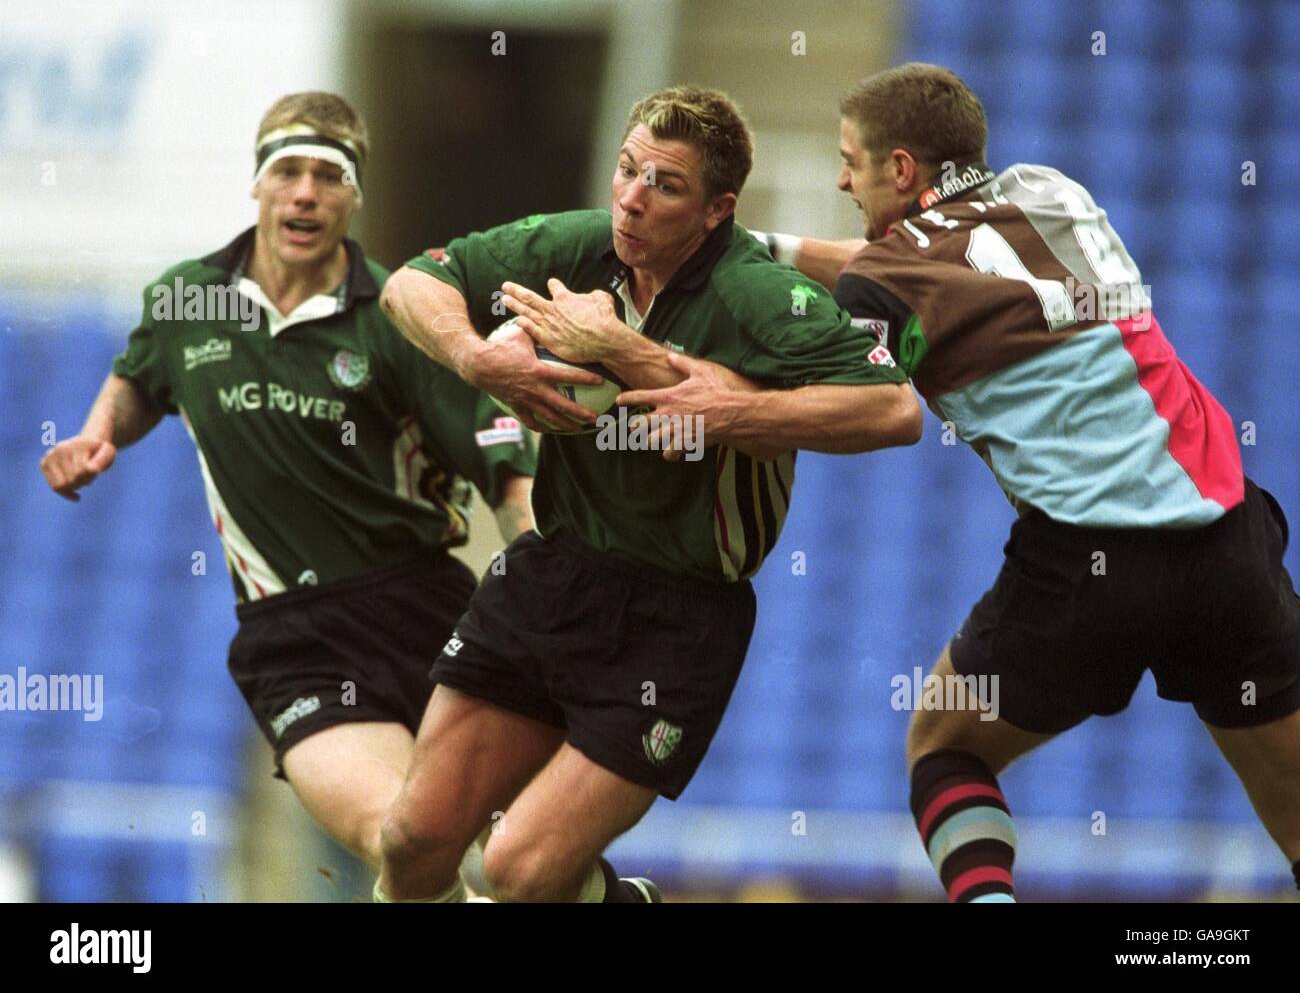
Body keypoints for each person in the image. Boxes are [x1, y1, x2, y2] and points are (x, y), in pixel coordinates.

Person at [649, 62, 1300, 902]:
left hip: (1090, 563)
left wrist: (714, 403)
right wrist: (761, 248)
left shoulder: (886, 284)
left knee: (945, 747)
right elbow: (932, 265)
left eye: (851, 161)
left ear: (901, 169)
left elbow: (865, 394)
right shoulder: (1049, 191)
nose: (842, 180)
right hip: (1229, 540)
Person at [375, 84, 922, 903]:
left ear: (716, 210)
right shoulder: (578, 249)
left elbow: (894, 409)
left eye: (665, 185)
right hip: (551, 573)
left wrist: (727, 409)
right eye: (628, 170)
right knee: (413, 839)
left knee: (519, 871)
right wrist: (474, 356)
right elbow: (413, 282)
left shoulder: (757, 295)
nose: (632, 198)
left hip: (677, 615)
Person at [38, 92, 536, 887]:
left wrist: (539, 565)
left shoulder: (400, 318)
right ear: (258, 184)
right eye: (288, 172)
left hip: (425, 614)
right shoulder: (188, 301)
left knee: (522, 857)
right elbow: (139, 375)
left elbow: (502, 460)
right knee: (402, 842)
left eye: (329, 176)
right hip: (293, 637)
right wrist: (98, 434)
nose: (306, 193)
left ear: (354, 196)